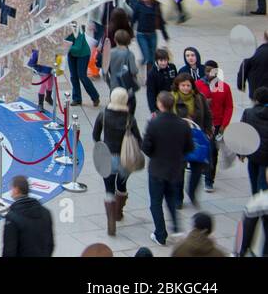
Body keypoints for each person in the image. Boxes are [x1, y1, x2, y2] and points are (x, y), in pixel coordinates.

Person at [141, 90, 193, 246]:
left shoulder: (154, 123)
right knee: (171, 199)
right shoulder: (183, 124)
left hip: (157, 168)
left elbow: (146, 147)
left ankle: (160, 234)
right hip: (175, 168)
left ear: (160, 104)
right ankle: (176, 228)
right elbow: (189, 147)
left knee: (156, 203)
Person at [93, 87, 141, 235]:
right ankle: (119, 212)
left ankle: (111, 221)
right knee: (122, 186)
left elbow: (95, 136)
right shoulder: (130, 118)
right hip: (125, 158)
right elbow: (139, 140)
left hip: (108, 156)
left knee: (109, 189)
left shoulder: (103, 115)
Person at [198, 61, 233, 192]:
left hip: (217, 125)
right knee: (203, 150)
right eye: (207, 71)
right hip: (202, 123)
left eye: (212, 71)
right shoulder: (198, 85)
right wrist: (203, 103)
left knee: (213, 152)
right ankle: (201, 168)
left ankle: (209, 180)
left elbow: (229, 107)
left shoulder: (225, 87)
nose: (209, 74)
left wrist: (224, 125)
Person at [1, 176, 53, 256]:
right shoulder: (45, 212)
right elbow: (50, 243)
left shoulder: (12, 218)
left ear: (16, 189)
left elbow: (9, 250)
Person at [126, 0, 168, 72]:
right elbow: (133, 19)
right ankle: (140, 66)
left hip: (152, 34)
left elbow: (160, 21)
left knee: (152, 58)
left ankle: (149, 76)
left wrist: (165, 36)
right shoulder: (138, 5)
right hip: (141, 34)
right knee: (147, 57)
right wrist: (130, 33)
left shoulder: (156, 6)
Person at [65, 22, 99, 107]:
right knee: (73, 76)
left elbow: (77, 48)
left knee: (82, 76)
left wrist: (65, 45)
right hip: (72, 54)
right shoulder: (63, 30)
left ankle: (95, 97)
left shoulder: (78, 30)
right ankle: (77, 99)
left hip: (83, 54)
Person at [241, 87, 268, 196]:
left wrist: (241, 152)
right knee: (264, 183)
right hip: (266, 157)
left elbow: (242, 133)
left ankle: (255, 202)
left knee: (254, 183)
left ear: (255, 99)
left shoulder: (248, 113)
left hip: (253, 154)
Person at [146, 48, 178, 114]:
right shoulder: (152, 73)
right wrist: (152, 109)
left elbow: (176, 81)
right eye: (161, 60)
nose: (163, 63)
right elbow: (150, 92)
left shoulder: (172, 67)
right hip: (161, 103)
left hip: (173, 100)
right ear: (156, 60)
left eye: (165, 60)